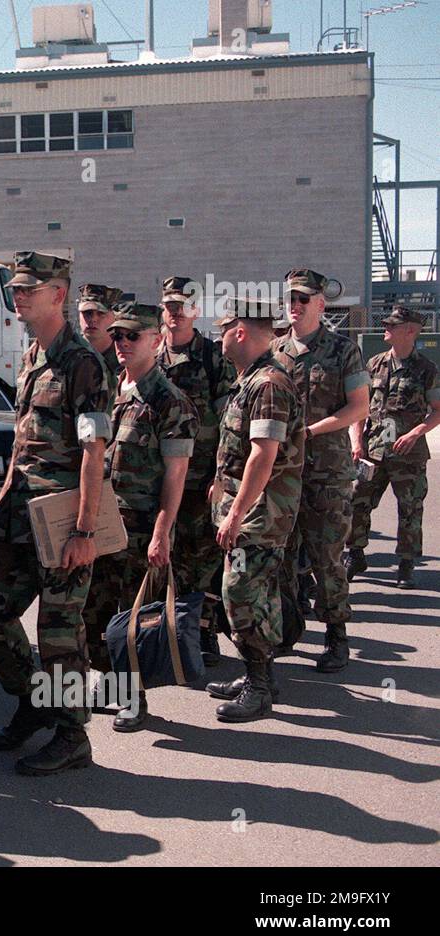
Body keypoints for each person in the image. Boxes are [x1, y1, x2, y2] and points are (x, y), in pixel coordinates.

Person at [0, 251, 111, 775]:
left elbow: (94, 451)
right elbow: (21, 443)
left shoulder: (83, 364)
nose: (20, 295)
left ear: (60, 294)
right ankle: (34, 700)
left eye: (31, 288)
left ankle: (72, 734)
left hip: (61, 518)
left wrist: (84, 530)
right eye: (16, 287)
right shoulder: (32, 355)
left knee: (59, 630)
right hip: (19, 516)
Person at [81, 301, 197, 730]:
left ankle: (134, 697)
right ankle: (108, 681)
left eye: (133, 336)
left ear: (156, 339)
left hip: (140, 528)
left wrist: (161, 533)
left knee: (133, 617)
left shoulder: (170, 401)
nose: (123, 343)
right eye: (118, 336)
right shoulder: (110, 389)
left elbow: (176, 476)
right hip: (100, 523)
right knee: (93, 609)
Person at [206, 297, 305, 721]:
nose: (220, 339)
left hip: (260, 515)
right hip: (249, 509)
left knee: (241, 594)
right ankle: (257, 677)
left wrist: (235, 514)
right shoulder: (248, 380)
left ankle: (260, 687)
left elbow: (262, 456)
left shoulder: (267, 385)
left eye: (223, 330)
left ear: (240, 331)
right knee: (254, 594)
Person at [271, 268, 369, 672]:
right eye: (290, 298)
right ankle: (288, 630)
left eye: (303, 299)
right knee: (281, 557)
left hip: (326, 472)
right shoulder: (274, 350)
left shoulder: (342, 350)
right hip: (282, 474)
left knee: (327, 556)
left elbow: (359, 407)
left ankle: (336, 636)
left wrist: (309, 431)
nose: (295, 306)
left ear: (321, 304)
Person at [157, 276, 235, 665]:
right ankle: (167, 633)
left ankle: (205, 633)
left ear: (196, 311)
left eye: (184, 306)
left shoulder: (212, 358)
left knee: (204, 559)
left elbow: (229, 423)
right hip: (160, 477)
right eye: (170, 306)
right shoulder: (152, 356)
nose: (176, 313)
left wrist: (220, 475)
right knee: (164, 557)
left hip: (202, 477)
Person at [345, 305, 440, 588]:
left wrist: (416, 433)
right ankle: (356, 552)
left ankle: (406, 564)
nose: (385, 327)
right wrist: (356, 440)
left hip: (408, 454)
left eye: (392, 324)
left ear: (410, 330)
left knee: (409, 509)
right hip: (373, 452)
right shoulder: (374, 364)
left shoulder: (426, 369)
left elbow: (437, 409)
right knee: (357, 502)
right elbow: (360, 407)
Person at [77, 283, 124, 403]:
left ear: (115, 317)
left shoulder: (126, 356)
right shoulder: (67, 354)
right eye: (87, 313)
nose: (92, 319)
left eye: (101, 313)